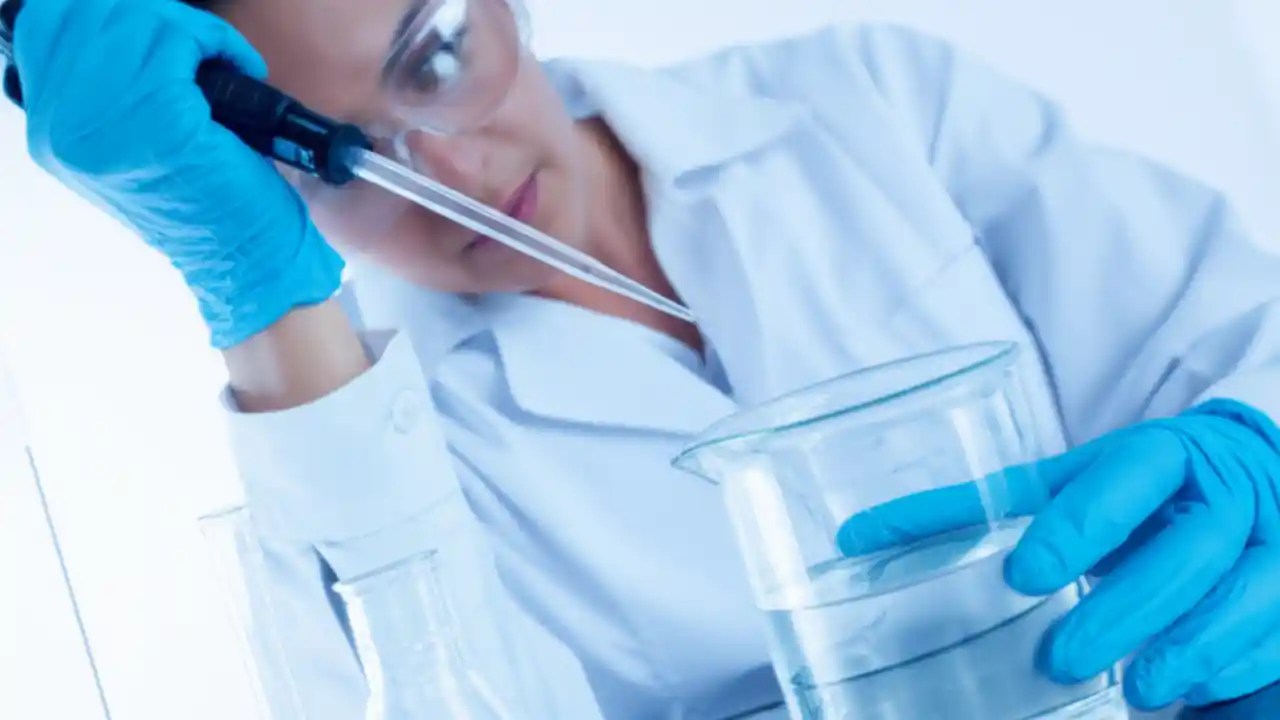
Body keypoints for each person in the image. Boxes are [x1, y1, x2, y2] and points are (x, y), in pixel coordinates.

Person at [13, 0, 1280, 717]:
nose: (450, 174)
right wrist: (257, 301)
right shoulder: (384, 451)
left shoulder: (867, 102)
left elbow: (1242, 341)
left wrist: (1255, 452)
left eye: (436, 53)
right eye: (333, 152)